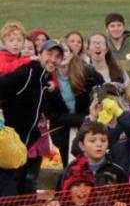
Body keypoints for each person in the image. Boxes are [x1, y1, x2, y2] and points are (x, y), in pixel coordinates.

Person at [0, 41, 74, 194]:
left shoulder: (44, 80)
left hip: (21, 153)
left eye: (57, 57)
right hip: (5, 151)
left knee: (18, 200)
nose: (53, 59)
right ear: (39, 54)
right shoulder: (28, 72)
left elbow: (56, 111)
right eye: (49, 54)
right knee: (9, 202)